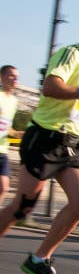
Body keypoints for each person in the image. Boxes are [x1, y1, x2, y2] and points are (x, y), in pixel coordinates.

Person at [0, 13, 79, 274]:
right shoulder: (71, 54)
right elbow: (50, 86)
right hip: (45, 137)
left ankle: (40, 259)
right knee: (22, 207)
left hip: (71, 144)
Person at [0, 65, 24, 205]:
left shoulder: (14, 101)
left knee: (4, 188)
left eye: (17, 77)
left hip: (3, 150)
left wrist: (16, 133)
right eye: (11, 76)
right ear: (2, 78)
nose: (15, 79)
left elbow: (6, 127)